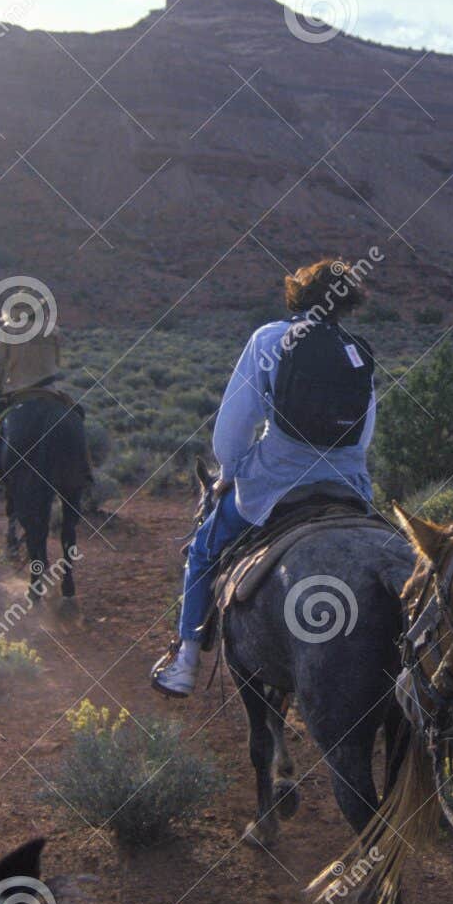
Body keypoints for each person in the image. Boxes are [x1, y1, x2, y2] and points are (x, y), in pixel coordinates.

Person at [150, 258, 378, 697]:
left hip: (273, 484)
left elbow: (234, 429)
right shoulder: (357, 351)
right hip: (348, 485)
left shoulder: (270, 339)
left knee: (202, 551)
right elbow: (362, 436)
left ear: (298, 294)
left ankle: (185, 661)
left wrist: (229, 475)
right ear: (348, 302)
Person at [0, 294, 62, 488]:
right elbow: (58, 363)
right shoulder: (54, 332)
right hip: (50, 391)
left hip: (17, 392)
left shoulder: (9, 330)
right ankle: (86, 471)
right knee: (77, 416)